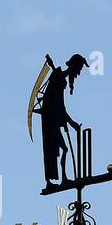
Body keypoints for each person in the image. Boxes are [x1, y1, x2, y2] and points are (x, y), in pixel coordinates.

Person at [34, 53, 87, 189]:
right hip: (50, 122)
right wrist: (72, 123)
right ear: (74, 66)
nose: (79, 72)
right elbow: (59, 106)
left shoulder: (60, 78)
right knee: (57, 150)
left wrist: (68, 121)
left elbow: (60, 106)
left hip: (54, 121)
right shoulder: (59, 79)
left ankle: (61, 179)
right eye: (79, 68)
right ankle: (52, 181)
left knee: (62, 150)